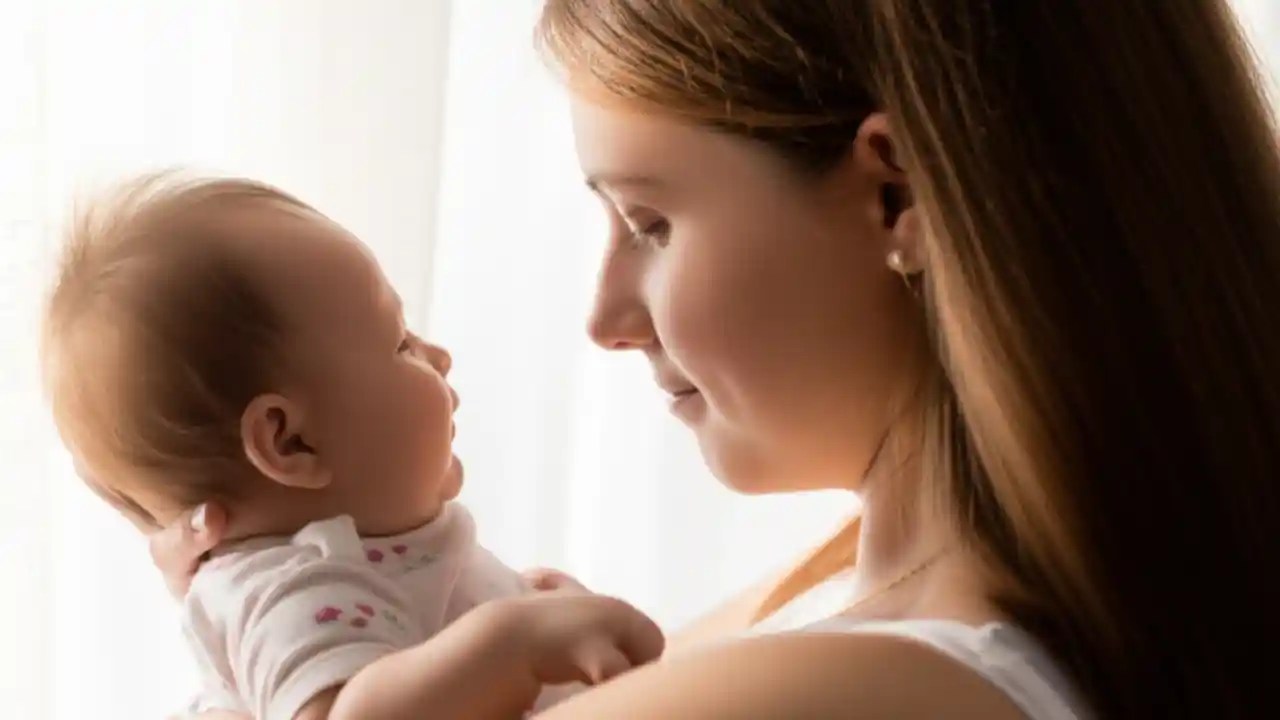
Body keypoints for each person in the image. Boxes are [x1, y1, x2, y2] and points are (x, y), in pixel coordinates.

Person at [156, 0, 1280, 717]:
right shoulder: (854, 597)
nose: (604, 316)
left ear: (895, 193)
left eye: (648, 223)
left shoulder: (851, 688)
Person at [42, 175, 663, 719]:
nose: (437, 356)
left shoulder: (351, 571)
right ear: (290, 442)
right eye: (399, 344)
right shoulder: (298, 586)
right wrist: (514, 644)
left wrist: (515, 609)